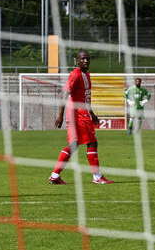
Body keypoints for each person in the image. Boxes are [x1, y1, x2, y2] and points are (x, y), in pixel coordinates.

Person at [48, 51, 112, 185]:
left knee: (74, 145)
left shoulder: (86, 75)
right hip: (77, 114)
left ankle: (54, 176)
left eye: (87, 59)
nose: (86, 61)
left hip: (81, 113)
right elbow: (64, 94)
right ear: (77, 61)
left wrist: (92, 113)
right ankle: (97, 176)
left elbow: (86, 98)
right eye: (82, 59)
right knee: (92, 142)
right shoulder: (75, 75)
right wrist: (59, 115)